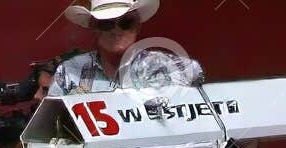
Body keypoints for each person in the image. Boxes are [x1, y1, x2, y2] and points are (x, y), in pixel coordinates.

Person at [54, 2, 202, 95]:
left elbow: (196, 74)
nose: (116, 31)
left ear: (137, 27)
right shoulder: (69, 72)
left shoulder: (166, 65)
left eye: (126, 23)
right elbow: (51, 126)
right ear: (94, 28)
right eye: (106, 23)